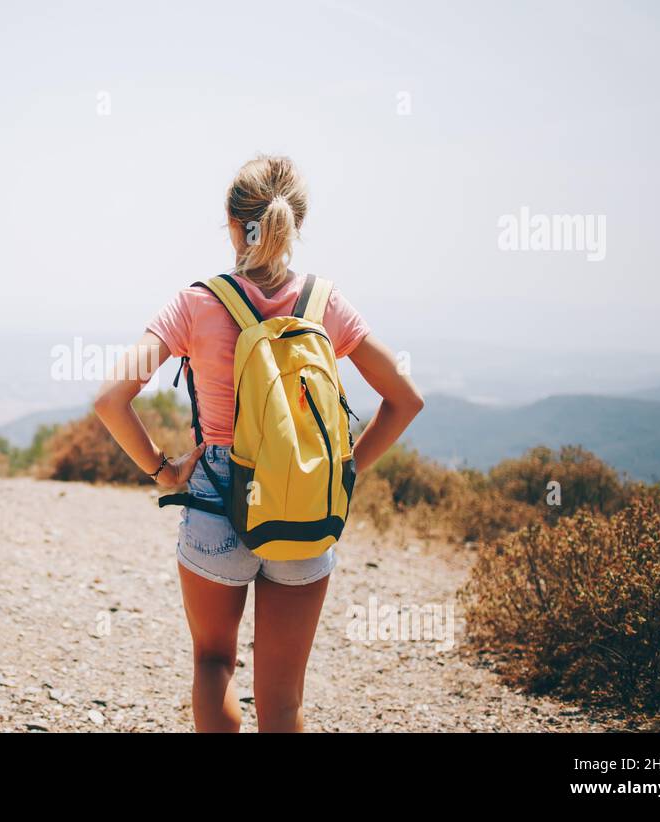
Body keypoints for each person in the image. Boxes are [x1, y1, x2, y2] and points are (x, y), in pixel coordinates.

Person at [93, 155, 424, 732]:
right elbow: (406, 399)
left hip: (217, 497)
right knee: (283, 697)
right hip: (304, 500)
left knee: (214, 661)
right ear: (297, 222)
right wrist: (345, 471)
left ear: (230, 222)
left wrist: (161, 470)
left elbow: (111, 398)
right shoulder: (326, 305)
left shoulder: (196, 304)